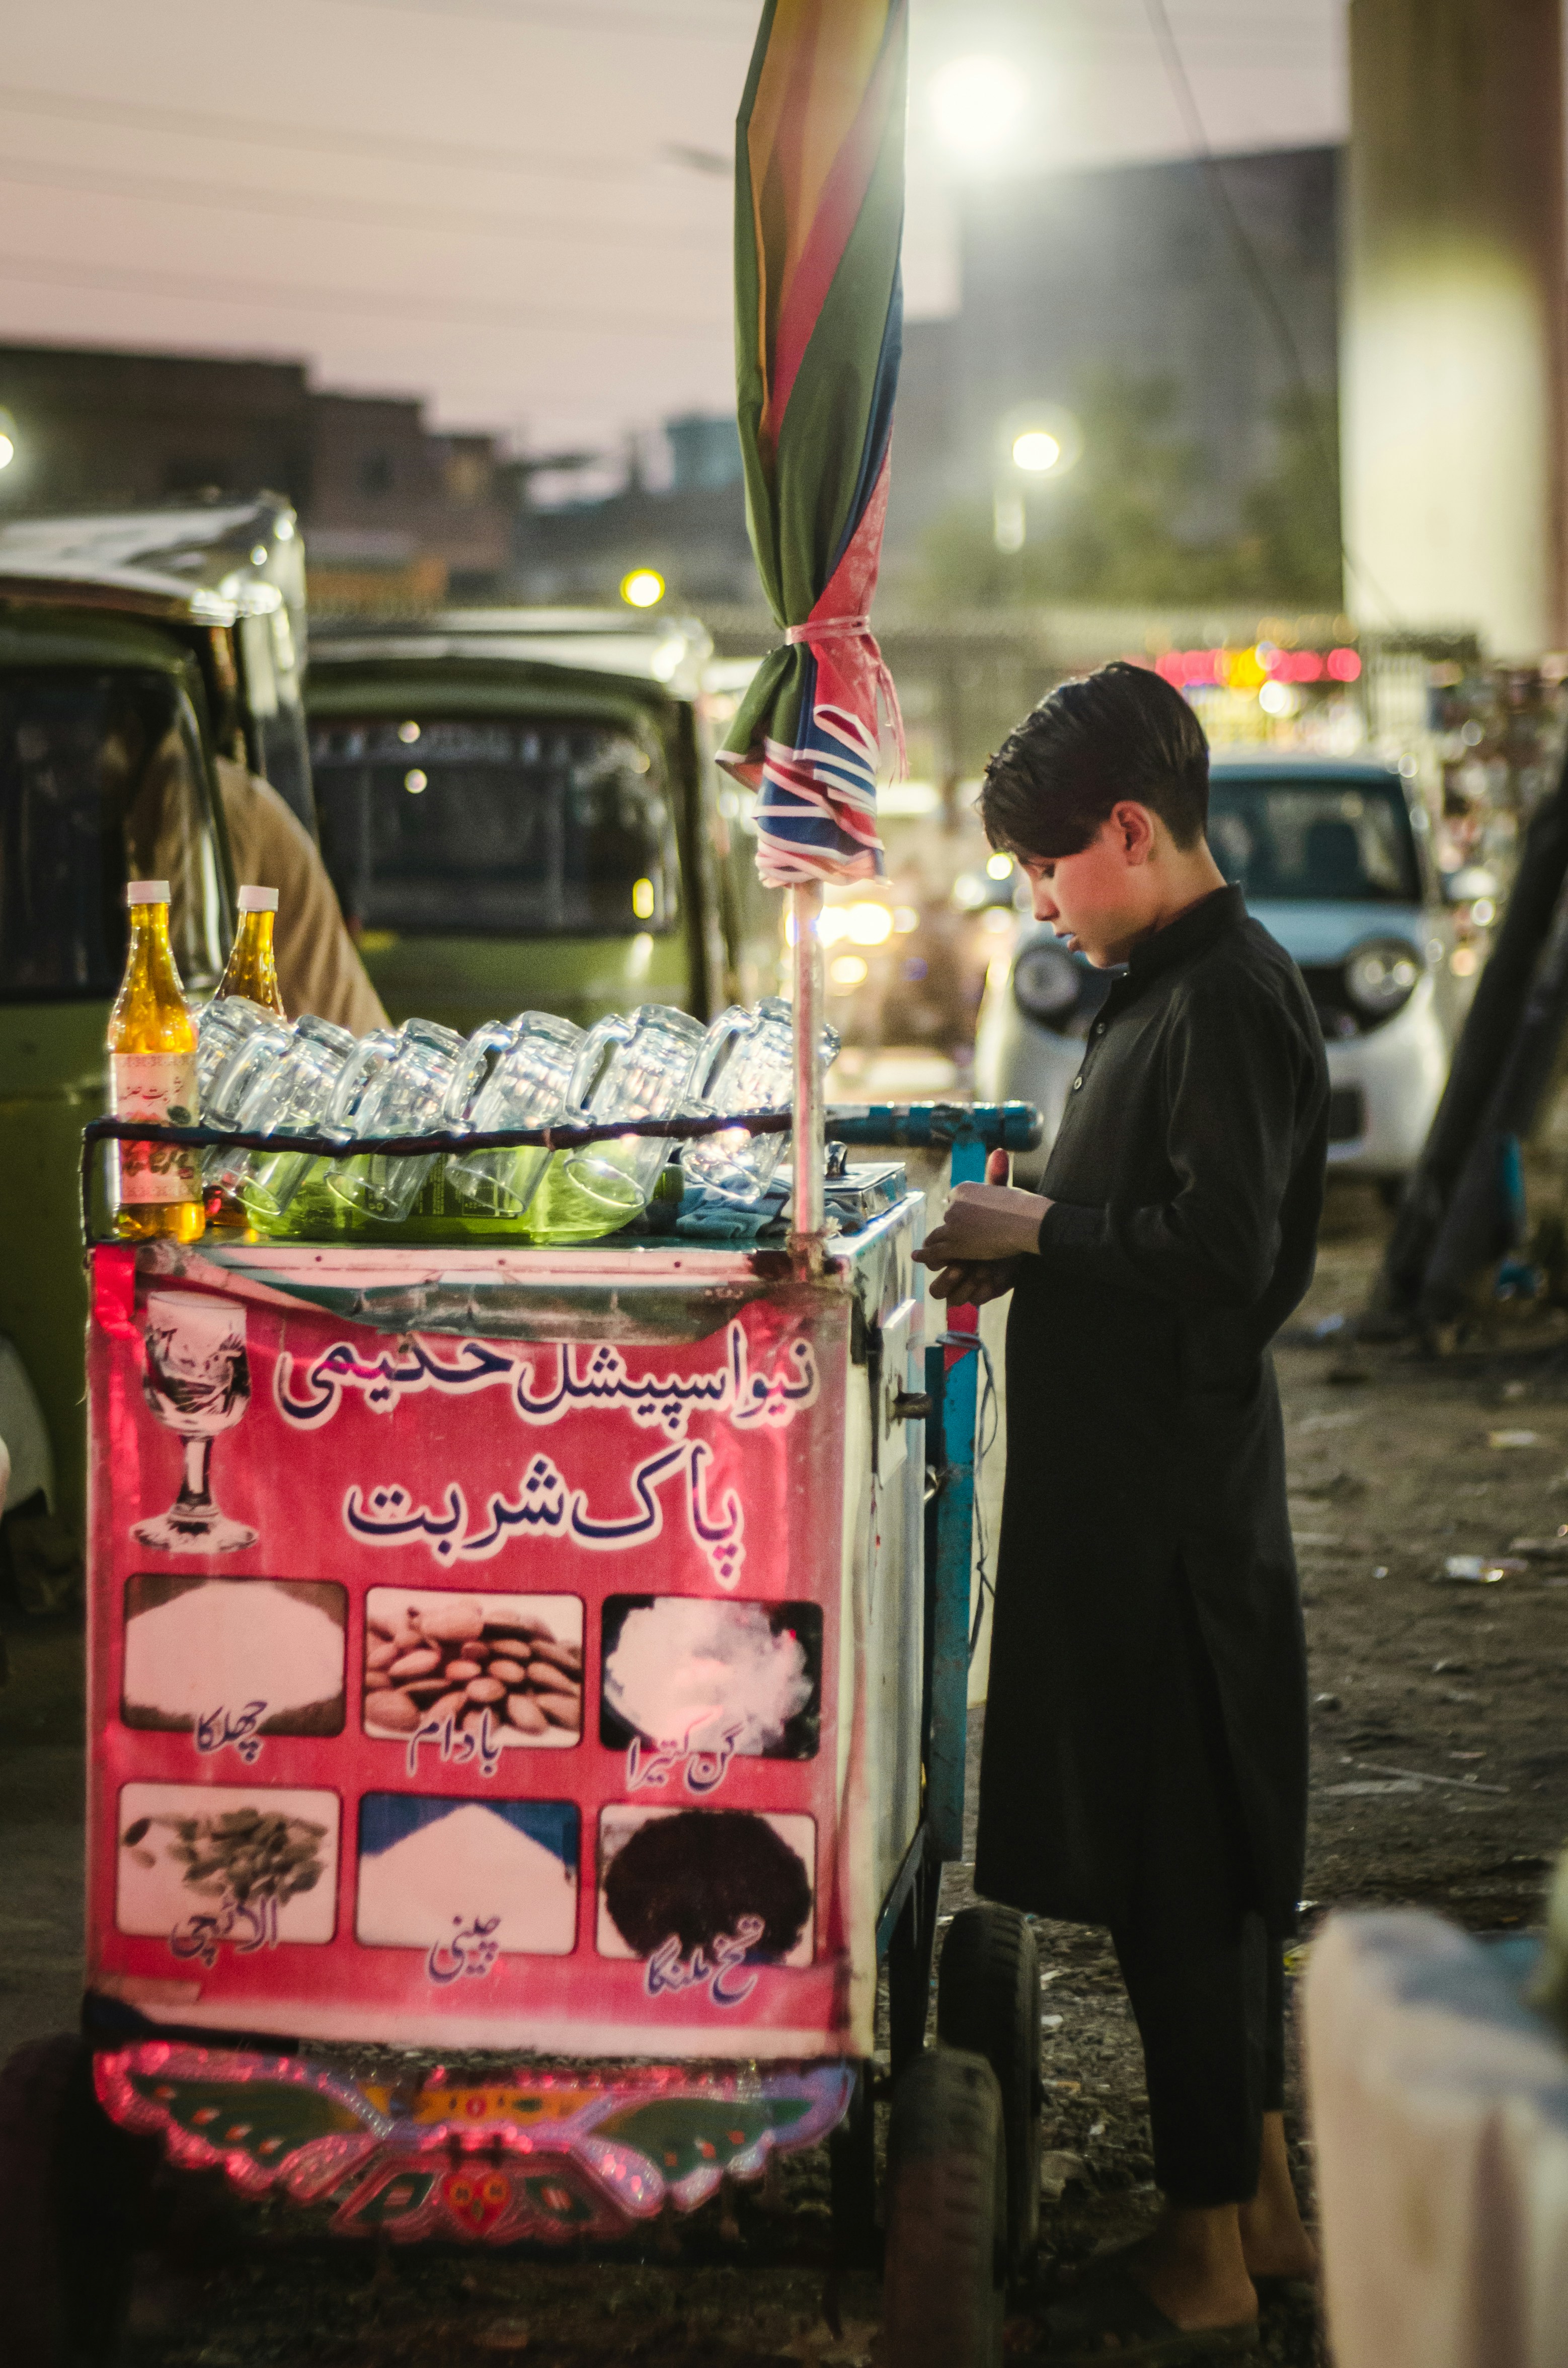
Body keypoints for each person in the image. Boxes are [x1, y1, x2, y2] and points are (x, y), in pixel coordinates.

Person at [915, 663, 1328, 2362]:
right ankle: (1268, 2212)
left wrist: (1030, 1240)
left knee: (1181, 1886)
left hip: (1171, 1523)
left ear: (1130, 832)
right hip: (1161, 1500)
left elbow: (1219, 1258)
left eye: (1043, 866)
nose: (1036, 898)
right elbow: (1154, 1204)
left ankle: (1198, 2258)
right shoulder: (1177, 981)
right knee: (1212, 1877)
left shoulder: (1219, 997)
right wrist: (1043, 1208)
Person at [215, 758, 388, 1035]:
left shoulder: (208, 797)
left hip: (330, 1059)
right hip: (313, 1046)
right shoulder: (222, 789)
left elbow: (203, 952)